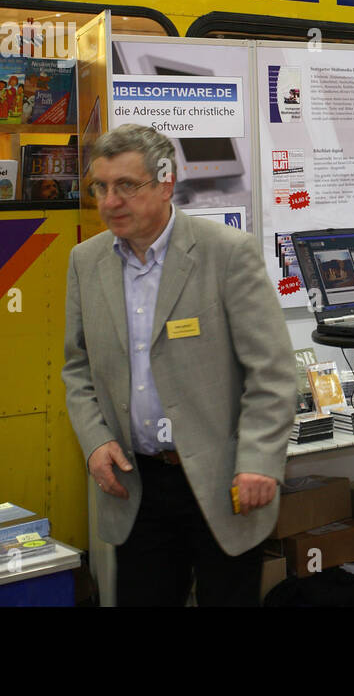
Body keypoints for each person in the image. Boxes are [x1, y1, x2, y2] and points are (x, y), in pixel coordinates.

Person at [61, 124, 295, 606]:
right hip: (136, 486)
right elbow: (77, 368)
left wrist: (258, 460)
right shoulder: (86, 262)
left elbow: (271, 372)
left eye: (126, 185)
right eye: (100, 187)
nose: (110, 201)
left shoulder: (226, 254)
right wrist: (95, 440)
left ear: (166, 183)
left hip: (222, 482)